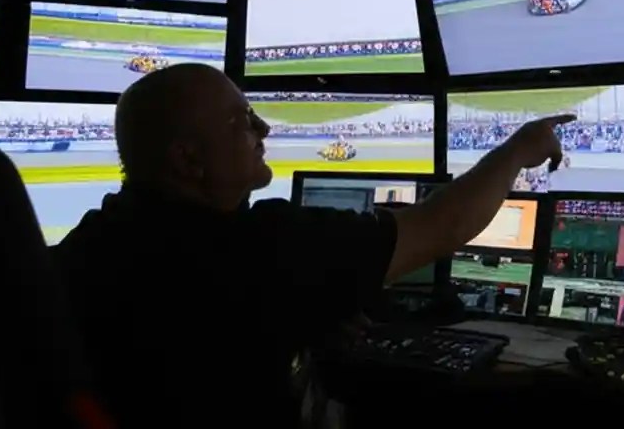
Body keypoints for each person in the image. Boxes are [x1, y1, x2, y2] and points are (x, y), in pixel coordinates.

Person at [52, 64, 574, 429]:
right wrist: (520, 149)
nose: (263, 128)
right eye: (242, 121)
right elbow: (444, 223)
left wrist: (304, 316)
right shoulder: (264, 247)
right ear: (189, 160)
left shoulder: (88, 243)